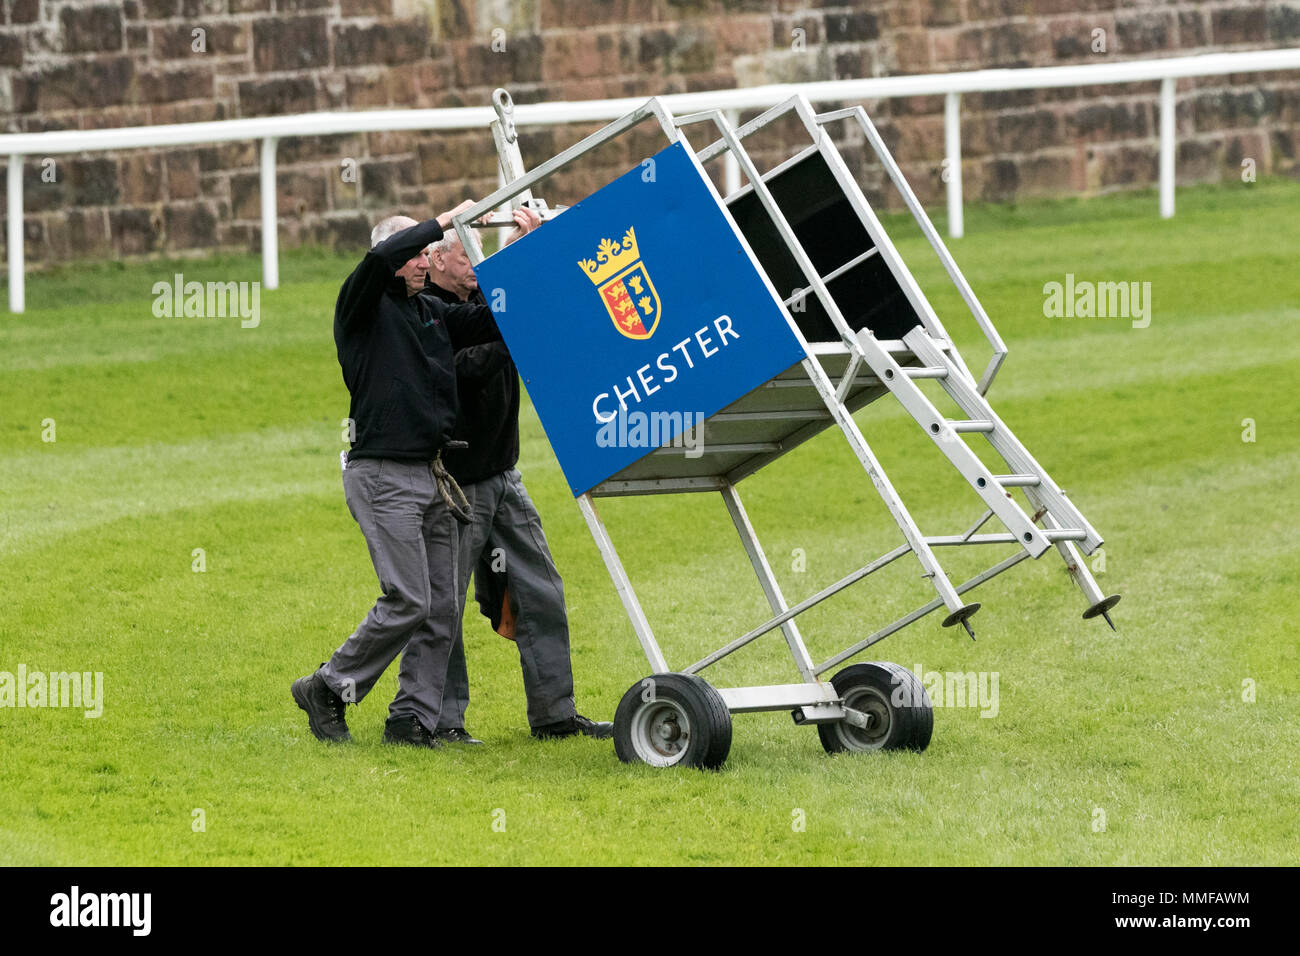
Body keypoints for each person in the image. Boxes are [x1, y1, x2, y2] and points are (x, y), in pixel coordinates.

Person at [291, 202, 516, 749]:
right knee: (409, 599)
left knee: (442, 604)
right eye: (418, 255)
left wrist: (525, 249)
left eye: (427, 254)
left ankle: (411, 720)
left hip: (433, 476)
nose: (425, 262)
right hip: (382, 475)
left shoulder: (431, 314)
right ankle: (326, 686)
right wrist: (445, 219)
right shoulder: (362, 306)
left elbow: (500, 314)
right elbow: (382, 254)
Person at [423, 218, 613, 744]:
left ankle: (555, 715)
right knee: (444, 604)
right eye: (467, 258)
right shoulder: (428, 312)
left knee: (542, 590)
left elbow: (528, 288)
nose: (476, 268)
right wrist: (519, 334)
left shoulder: (484, 293)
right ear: (437, 260)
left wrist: (528, 242)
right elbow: (464, 368)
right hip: (456, 484)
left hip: (505, 474)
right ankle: (442, 721)